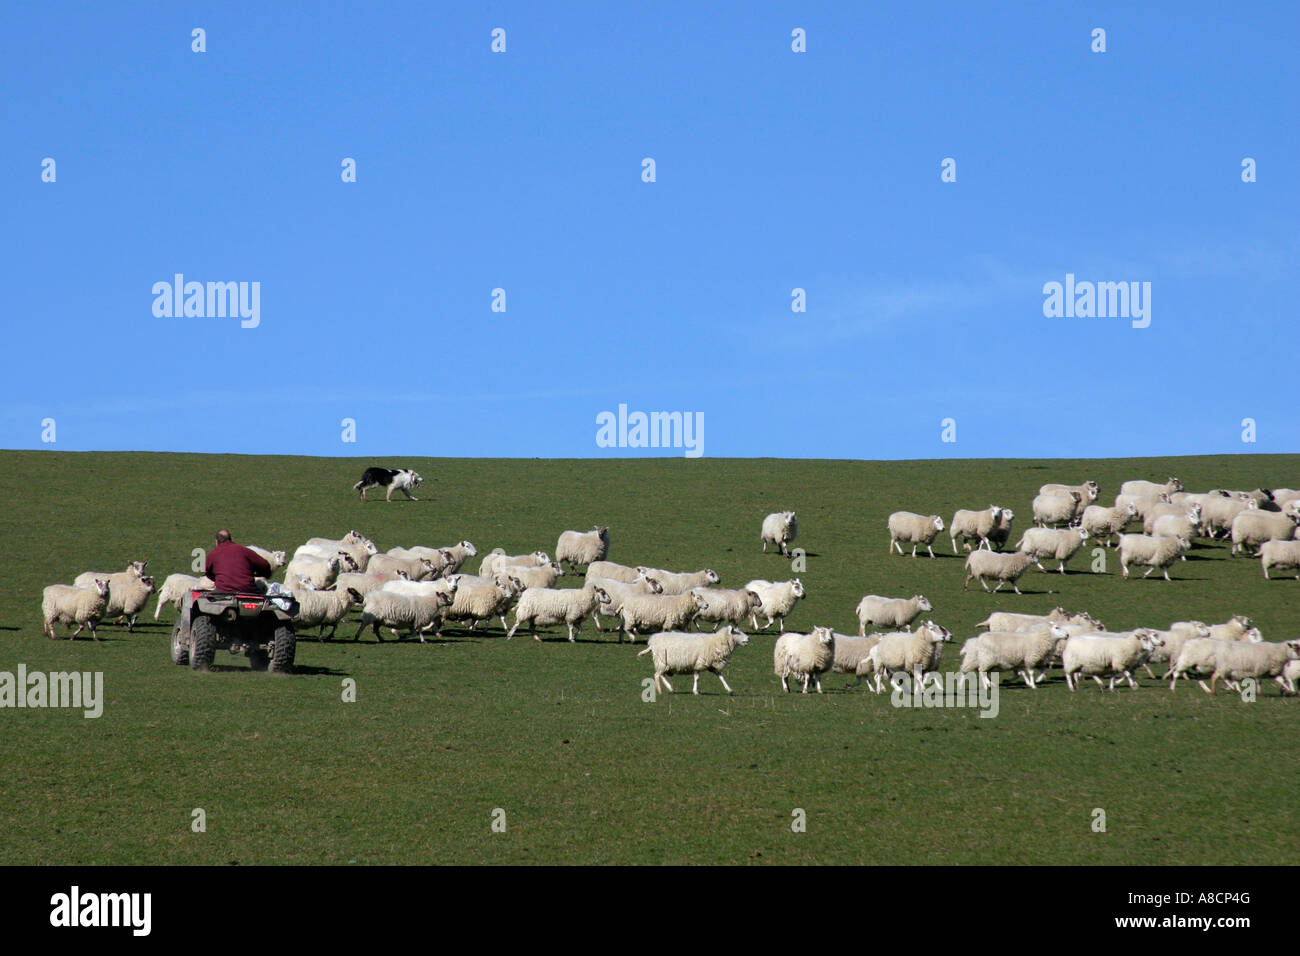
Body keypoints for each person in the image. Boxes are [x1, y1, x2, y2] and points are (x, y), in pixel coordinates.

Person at [205, 529, 272, 593]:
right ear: (230, 539)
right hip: (248, 591)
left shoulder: (212, 555)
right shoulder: (244, 550)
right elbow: (265, 565)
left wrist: (219, 580)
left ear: (216, 542)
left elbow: (208, 572)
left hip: (223, 591)